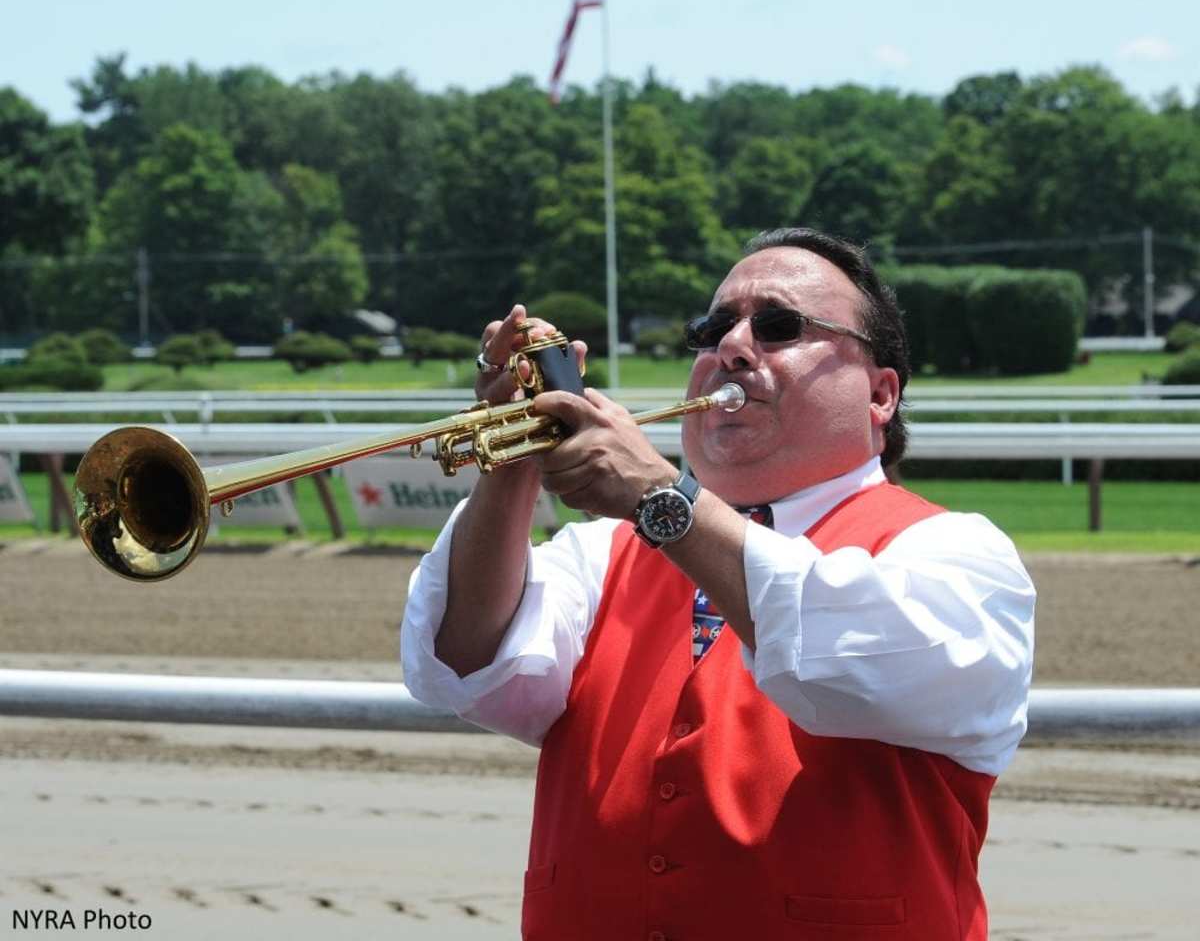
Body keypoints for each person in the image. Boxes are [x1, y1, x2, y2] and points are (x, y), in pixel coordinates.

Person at [402, 227, 1035, 941]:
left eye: (778, 326)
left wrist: (662, 501)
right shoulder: (602, 551)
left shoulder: (955, 551)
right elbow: (466, 668)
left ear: (880, 394)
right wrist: (511, 462)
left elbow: (847, 665)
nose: (731, 347)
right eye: (712, 328)